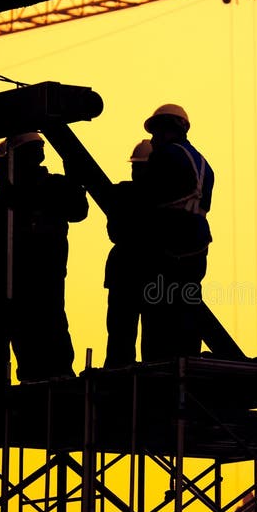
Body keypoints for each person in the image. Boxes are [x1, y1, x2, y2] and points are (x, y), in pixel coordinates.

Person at [0, 132, 89, 386]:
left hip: (38, 289)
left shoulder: (50, 189)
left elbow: (78, 210)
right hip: (11, 290)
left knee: (45, 353)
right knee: (4, 353)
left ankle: (42, 397)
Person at [137, 103, 215, 361]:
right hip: (197, 242)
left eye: (155, 133)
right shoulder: (204, 164)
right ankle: (187, 359)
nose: (152, 140)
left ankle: (157, 364)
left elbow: (147, 196)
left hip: (170, 240)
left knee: (157, 307)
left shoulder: (165, 156)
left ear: (166, 130)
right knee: (188, 304)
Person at [103, 139, 152, 367]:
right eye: (135, 167)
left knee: (131, 336)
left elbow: (115, 231)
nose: (136, 172)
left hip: (137, 272)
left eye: (140, 167)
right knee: (121, 336)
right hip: (131, 273)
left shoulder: (123, 194)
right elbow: (114, 231)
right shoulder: (124, 193)